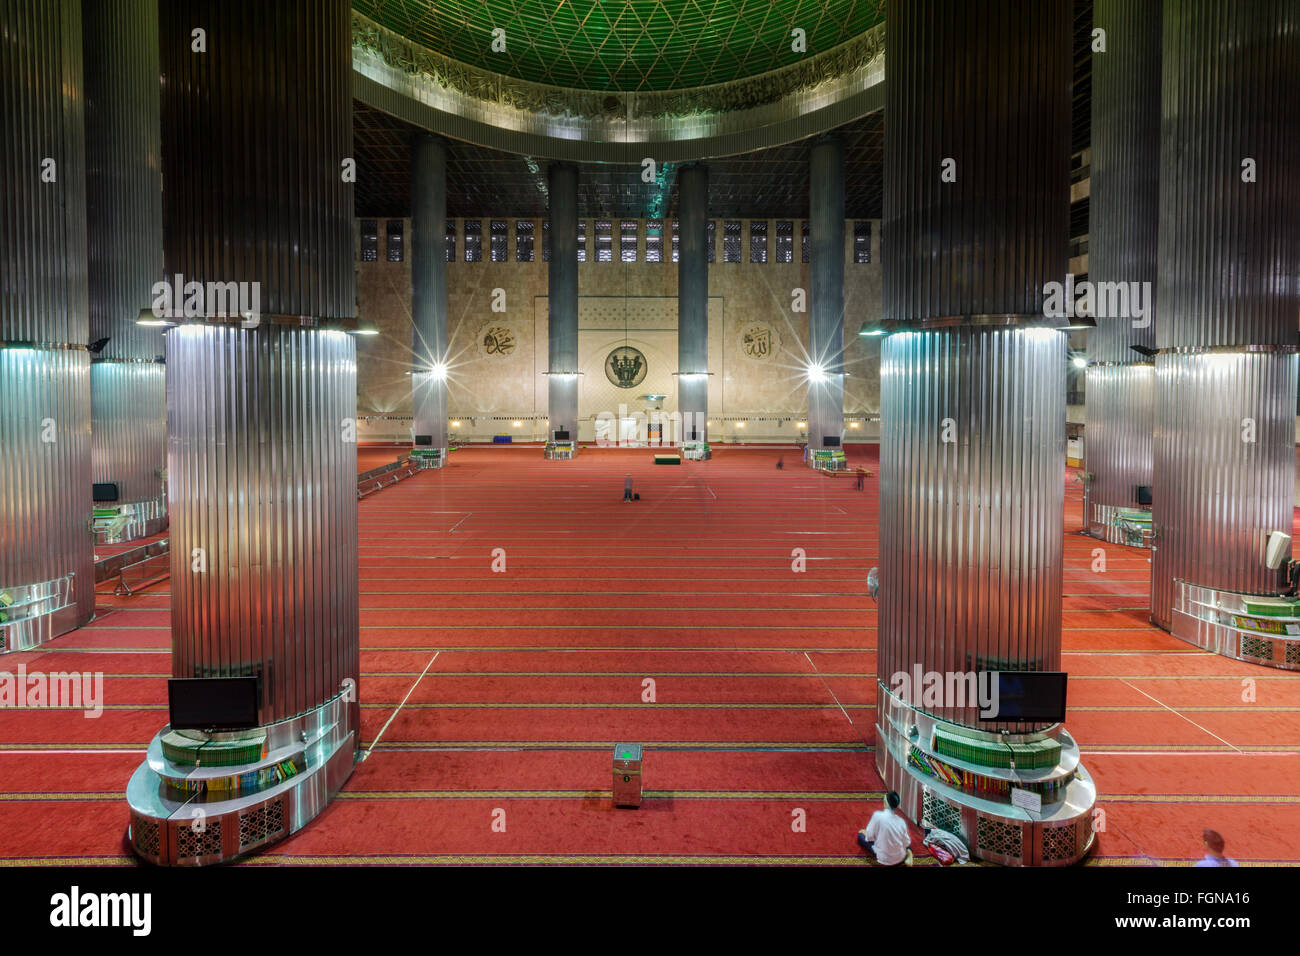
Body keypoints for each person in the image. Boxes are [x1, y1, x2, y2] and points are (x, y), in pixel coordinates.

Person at [857, 791, 913, 866]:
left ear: (885, 803)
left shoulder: (877, 815)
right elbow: (906, 842)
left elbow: (869, 837)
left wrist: (865, 833)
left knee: (860, 836)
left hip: (884, 858)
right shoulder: (901, 821)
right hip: (900, 857)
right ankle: (910, 855)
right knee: (903, 838)